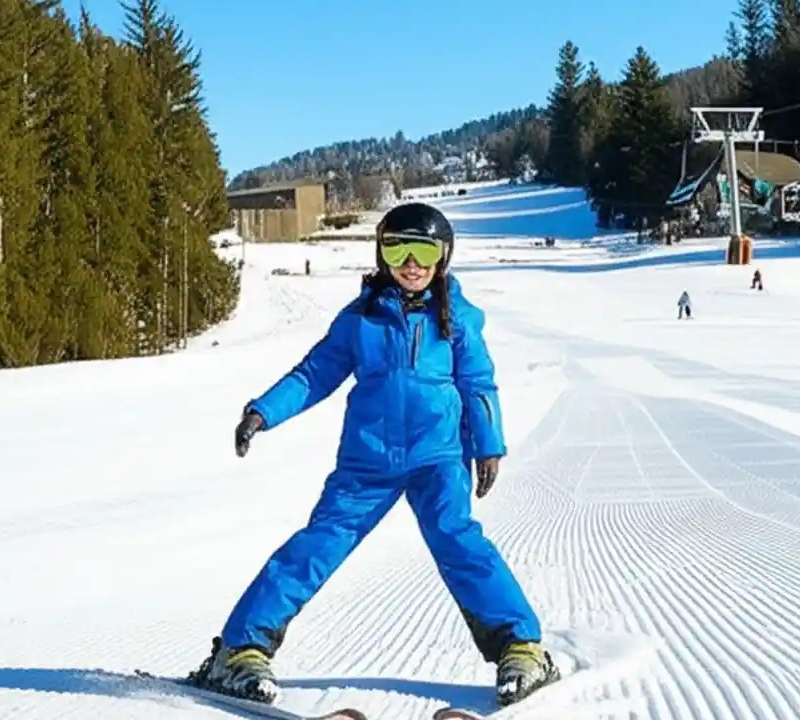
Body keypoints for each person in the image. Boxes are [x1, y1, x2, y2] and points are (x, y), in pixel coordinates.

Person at [187, 202, 558, 708]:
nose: (410, 262)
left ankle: (522, 648)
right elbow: (314, 373)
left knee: (460, 543)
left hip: (438, 458)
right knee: (316, 546)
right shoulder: (359, 320)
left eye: (423, 250)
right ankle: (240, 650)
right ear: (381, 254)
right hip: (367, 465)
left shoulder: (459, 319)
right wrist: (263, 412)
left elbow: (477, 383)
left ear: (443, 257)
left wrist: (488, 444)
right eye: (396, 248)